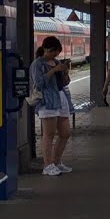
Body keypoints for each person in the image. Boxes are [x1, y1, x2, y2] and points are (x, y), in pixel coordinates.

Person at [30, 36, 74, 176]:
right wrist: (53, 71)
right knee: (49, 134)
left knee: (65, 133)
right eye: (52, 52)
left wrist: (65, 73)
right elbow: (38, 83)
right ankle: (47, 165)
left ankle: (57, 161)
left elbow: (65, 83)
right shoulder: (37, 64)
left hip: (61, 98)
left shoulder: (56, 62)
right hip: (47, 101)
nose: (54, 55)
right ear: (45, 49)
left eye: (56, 52)